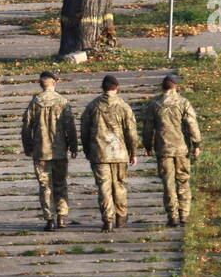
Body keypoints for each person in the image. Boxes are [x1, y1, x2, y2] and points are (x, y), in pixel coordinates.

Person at [79, 74, 139, 232]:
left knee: (104, 188)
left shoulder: (92, 106)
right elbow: (131, 132)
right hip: (119, 154)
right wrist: (133, 152)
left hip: (99, 154)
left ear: (103, 88)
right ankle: (121, 215)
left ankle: (108, 219)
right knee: (119, 185)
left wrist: (87, 150)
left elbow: (84, 130)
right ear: (117, 88)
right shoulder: (124, 106)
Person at [20, 71, 78, 231]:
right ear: (54, 82)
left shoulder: (35, 102)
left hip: (41, 151)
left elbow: (26, 127)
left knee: (45, 186)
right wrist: (73, 146)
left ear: (41, 84)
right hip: (59, 150)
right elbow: (70, 127)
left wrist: (28, 146)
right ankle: (61, 216)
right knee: (61, 184)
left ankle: (49, 219)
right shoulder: (62, 102)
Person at [143, 73, 202, 227]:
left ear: (162, 87)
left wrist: (147, 145)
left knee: (168, 183)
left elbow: (148, 127)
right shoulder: (183, 102)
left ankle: (172, 215)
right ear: (176, 87)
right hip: (182, 148)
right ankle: (184, 214)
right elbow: (192, 124)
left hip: (163, 149)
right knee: (183, 181)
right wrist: (197, 144)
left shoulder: (154, 103)